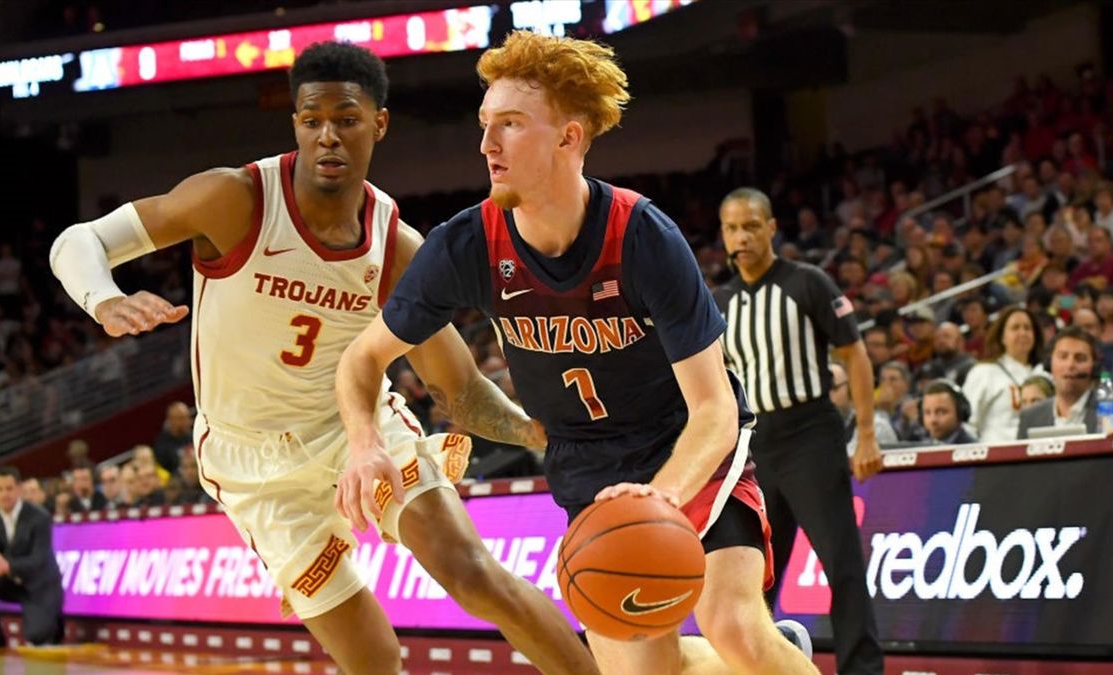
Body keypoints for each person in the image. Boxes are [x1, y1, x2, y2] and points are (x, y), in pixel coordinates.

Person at [49, 41, 597, 675]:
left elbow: (461, 389)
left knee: (473, 573)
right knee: (373, 658)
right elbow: (80, 240)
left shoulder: (395, 246)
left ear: (379, 124)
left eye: (346, 119)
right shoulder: (233, 199)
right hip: (250, 462)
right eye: (312, 121)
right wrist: (103, 299)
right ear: (296, 126)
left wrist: (538, 432)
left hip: (356, 430)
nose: (328, 136)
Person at [335, 31, 818, 675]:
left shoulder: (642, 234)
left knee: (731, 623)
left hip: (685, 447)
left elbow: (715, 408)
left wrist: (661, 498)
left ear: (568, 137)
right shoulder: (467, 244)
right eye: (485, 125)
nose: (486, 145)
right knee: (649, 668)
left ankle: (768, 648)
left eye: (509, 125)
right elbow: (361, 360)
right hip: (585, 467)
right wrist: (365, 442)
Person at [714, 188, 884, 674]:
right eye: (731, 228)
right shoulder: (719, 302)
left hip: (811, 435)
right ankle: (762, 665)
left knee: (842, 566)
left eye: (750, 226)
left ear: (771, 228)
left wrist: (867, 433)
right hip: (754, 446)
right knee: (754, 578)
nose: (741, 237)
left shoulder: (807, 283)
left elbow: (855, 355)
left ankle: (862, 669)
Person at [0, 467, 64, 647]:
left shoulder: (39, 517)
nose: (5, 494)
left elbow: (38, 560)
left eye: (9, 488)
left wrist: (7, 565)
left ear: (19, 489)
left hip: (39, 584)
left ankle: (54, 621)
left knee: (37, 636)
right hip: (9, 583)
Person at [1018, 326, 1113, 437]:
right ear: (1049, 364)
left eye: (1080, 358)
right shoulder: (1030, 417)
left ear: (1094, 367)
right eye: (1063, 356)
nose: (1070, 365)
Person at [962, 306, 1044, 442]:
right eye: (1015, 328)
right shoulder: (984, 372)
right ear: (1002, 337)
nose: (1022, 333)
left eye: (1027, 328)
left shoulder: (1045, 374)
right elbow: (968, 422)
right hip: (996, 455)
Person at [830, 363, 896, 456]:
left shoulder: (877, 426)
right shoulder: (814, 429)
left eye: (833, 388)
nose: (828, 396)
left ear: (851, 388)